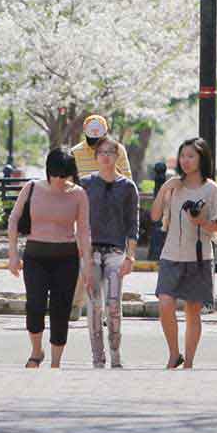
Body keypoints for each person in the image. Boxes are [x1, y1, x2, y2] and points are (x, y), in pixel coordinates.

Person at [7, 148, 92, 368]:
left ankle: (56, 362)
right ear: (48, 172)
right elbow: (14, 219)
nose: (59, 181)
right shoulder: (32, 188)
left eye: (64, 176)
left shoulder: (78, 194)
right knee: (35, 305)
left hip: (66, 257)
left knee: (60, 310)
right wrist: (13, 254)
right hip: (36, 256)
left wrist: (87, 265)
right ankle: (36, 352)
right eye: (56, 175)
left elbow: (84, 230)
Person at [151, 137, 217, 369]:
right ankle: (174, 354)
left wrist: (201, 222)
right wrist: (164, 187)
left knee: (193, 312)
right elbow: (155, 216)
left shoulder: (212, 190)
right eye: (182, 156)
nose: (185, 160)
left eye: (191, 156)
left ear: (202, 159)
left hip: (199, 258)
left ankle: (189, 363)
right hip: (171, 255)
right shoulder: (174, 186)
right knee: (165, 303)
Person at [80, 137, 139, 369]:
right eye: (102, 152)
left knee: (113, 304)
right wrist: (83, 256)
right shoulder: (86, 184)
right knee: (94, 306)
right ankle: (98, 356)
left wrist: (130, 256)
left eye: (110, 152)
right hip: (91, 252)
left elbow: (133, 224)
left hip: (116, 252)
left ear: (117, 156)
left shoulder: (128, 187)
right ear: (96, 157)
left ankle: (115, 352)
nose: (106, 156)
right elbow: (79, 223)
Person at [67, 114, 133, 179]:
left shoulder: (118, 150)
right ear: (85, 133)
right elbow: (68, 180)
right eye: (91, 139)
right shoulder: (74, 152)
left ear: (105, 134)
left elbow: (127, 178)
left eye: (99, 141)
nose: (95, 145)